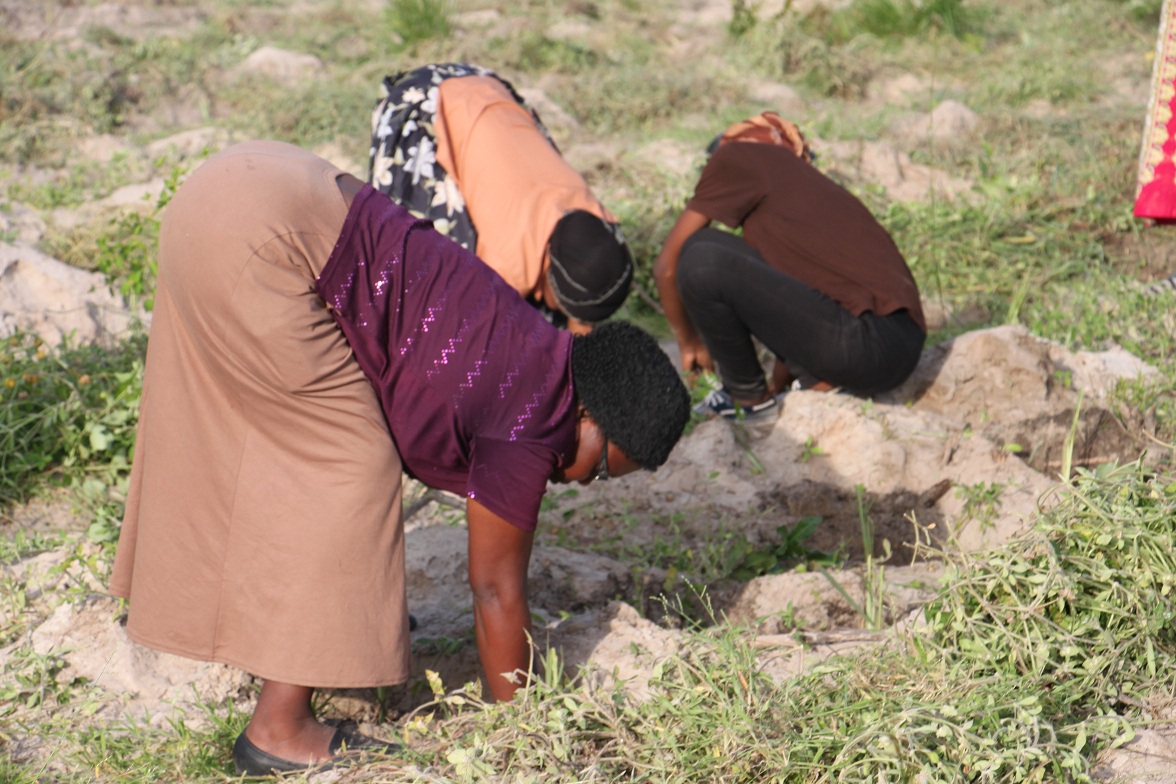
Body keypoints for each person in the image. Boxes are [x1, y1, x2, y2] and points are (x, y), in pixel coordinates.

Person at [109, 141, 689, 777]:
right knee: (353, 464)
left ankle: (324, 620)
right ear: (587, 417)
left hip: (239, 188)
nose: (580, 481)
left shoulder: (530, 339)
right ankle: (278, 728)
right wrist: (529, 730)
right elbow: (496, 589)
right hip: (265, 238)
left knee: (300, 430)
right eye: (601, 467)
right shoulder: (534, 417)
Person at [654, 111, 926, 429]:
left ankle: (746, 401)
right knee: (726, 259)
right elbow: (795, 305)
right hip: (896, 351)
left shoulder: (737, 156)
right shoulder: (800, 196)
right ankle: (811, 383)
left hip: (866, 344)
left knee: (702, 254)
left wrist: (691, 344)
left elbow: (666, 267)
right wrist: (778, 387)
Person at [369, 62, 633, 332]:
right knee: (435, 271)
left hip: (483, 86)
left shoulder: (594, 222)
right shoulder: (507, 262)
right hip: (426, 106)